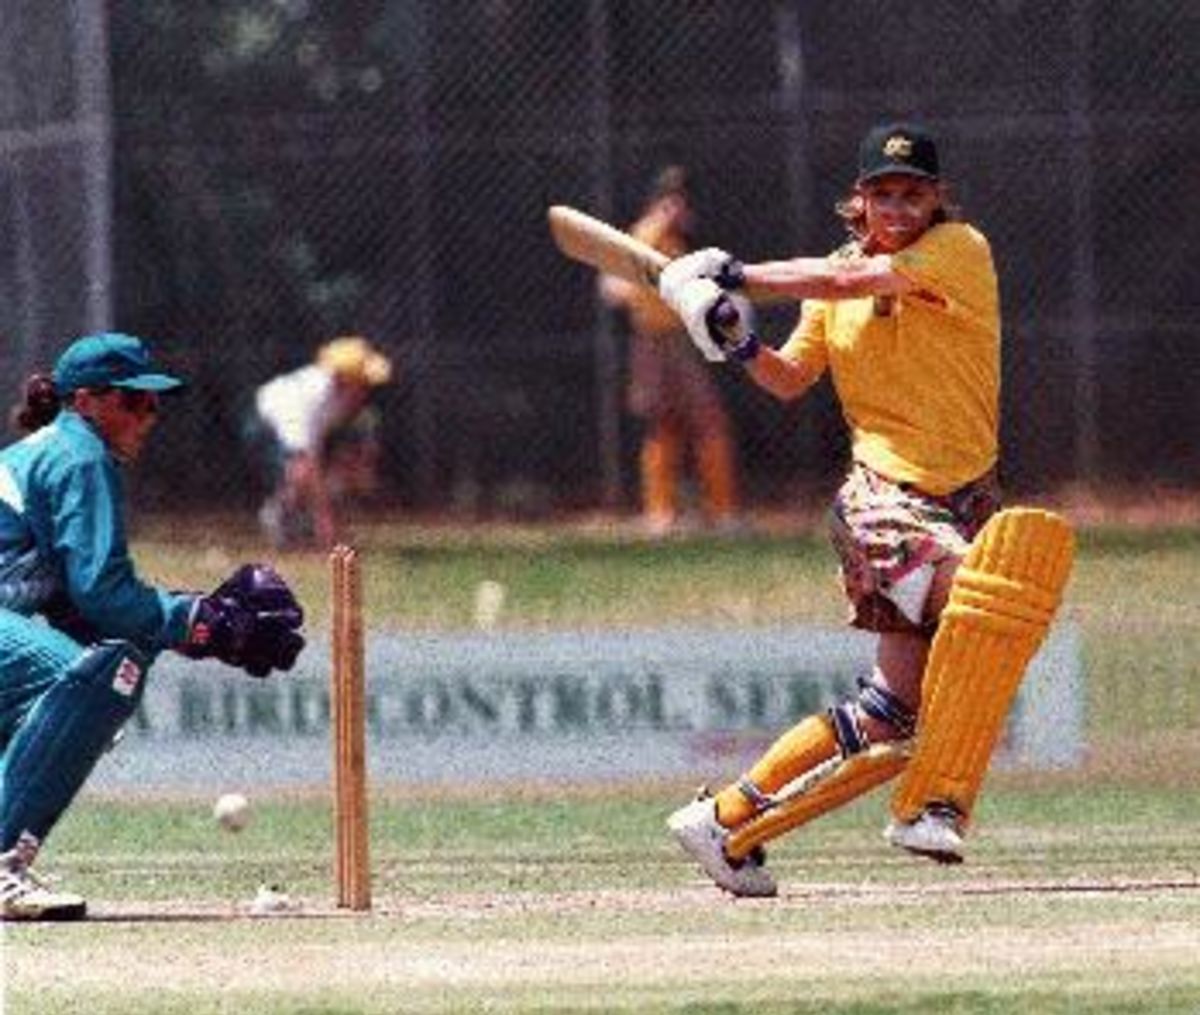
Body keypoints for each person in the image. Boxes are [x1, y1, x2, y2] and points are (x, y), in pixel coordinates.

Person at [656, 123, 1075, 895]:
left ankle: (723, 819)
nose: (897, 207)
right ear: (861, 198)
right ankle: (933, 809)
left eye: (912, 193)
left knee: (893, 715)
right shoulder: (836, 277)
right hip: (885, 498)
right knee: (990, 605)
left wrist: (734, 274)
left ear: (937, 198)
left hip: (967, 496)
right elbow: (788, 378)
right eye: (883, 193)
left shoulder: (959, 251)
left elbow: (854, 284)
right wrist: (737, 341)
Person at [0, 333, 306, 920]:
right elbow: (104, 595)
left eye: (154, 403)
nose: (150, 415)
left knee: (111, 664)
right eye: (134, 400)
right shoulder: (79, 455)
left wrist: (190, 623)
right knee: (91, 675)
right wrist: (200, 621)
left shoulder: (59, 451)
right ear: (87, 401)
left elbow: (81, 605)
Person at [601, 166, 741, 536]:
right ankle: (663, 515)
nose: (683, 211)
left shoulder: (675, 243)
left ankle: (719, 511)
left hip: (679, 339)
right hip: (655, 341)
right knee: (669, 424)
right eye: (676, 202)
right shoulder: (649, 234)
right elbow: (612, 286)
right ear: (664, 203)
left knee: (701, 422)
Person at [249, 335, 392, 549]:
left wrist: (361, 467)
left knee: (348, 471)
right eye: (363, 381)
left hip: (313, 435)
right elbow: (306, 461)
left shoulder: (346, 399)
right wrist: (325, 520)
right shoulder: (306, 400)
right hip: (265, 427)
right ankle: (282, 515)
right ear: (344, 379)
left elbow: (361, 455)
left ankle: (307, 518)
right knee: (302, 473)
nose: (368, 388)